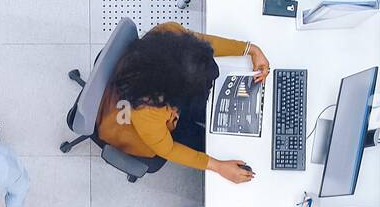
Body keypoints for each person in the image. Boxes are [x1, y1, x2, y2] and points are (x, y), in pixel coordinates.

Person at [98, 22, 271, 184]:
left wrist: (251, 50)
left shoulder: (170, 33)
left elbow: (201, 47)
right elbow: (168, 150)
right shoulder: (146, 109)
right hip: (132, 129)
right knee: (204, 141)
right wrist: (218, 166)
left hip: (155, 102)